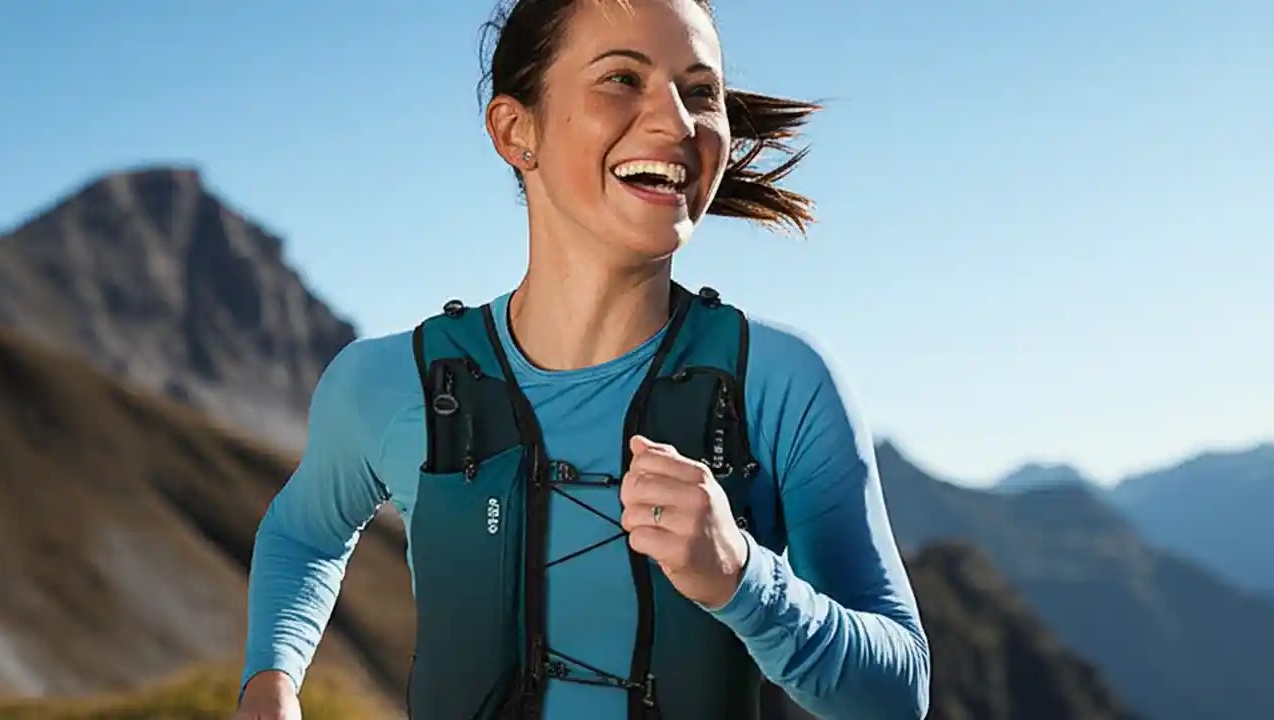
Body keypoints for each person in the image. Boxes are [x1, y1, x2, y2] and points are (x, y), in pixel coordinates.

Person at [233, 0, 930, 718]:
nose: (679, 122)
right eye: (623, 79)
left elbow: (899, 693)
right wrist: (271, 680)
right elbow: (302, 533)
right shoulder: (387, 384)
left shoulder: (780, 383)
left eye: (701, 92)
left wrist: (741, 578)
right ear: (516, 130)